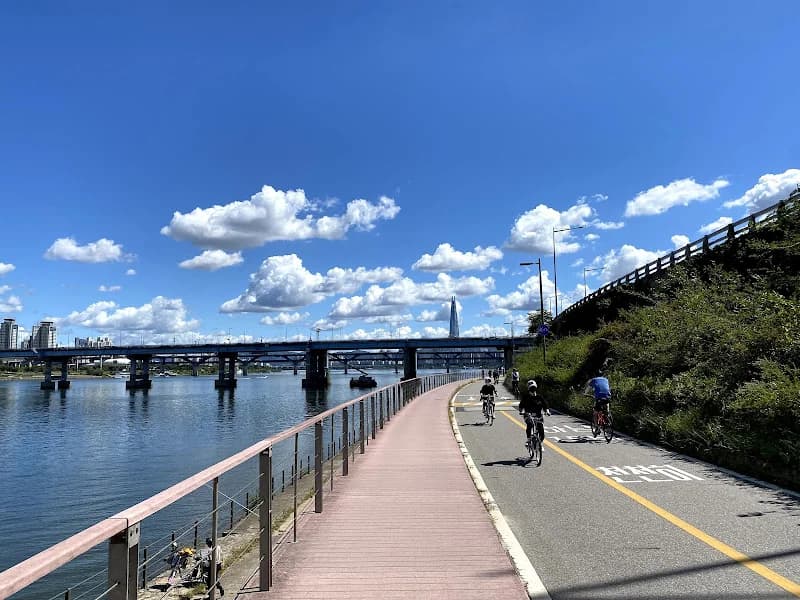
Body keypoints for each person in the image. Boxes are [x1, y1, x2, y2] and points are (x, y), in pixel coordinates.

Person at [518, 379, 550, 445]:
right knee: (530, 424)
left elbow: (545, 405)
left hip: (539, 415)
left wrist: (547, 411)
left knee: (541, 432)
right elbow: (521, 406)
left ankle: (539, 444)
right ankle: (529, 440)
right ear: (528, 389)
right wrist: (522, 411)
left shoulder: (539, 397)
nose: (533, 389)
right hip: (528, 415)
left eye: (534, 388)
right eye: (531, 388)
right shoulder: (526, 397)